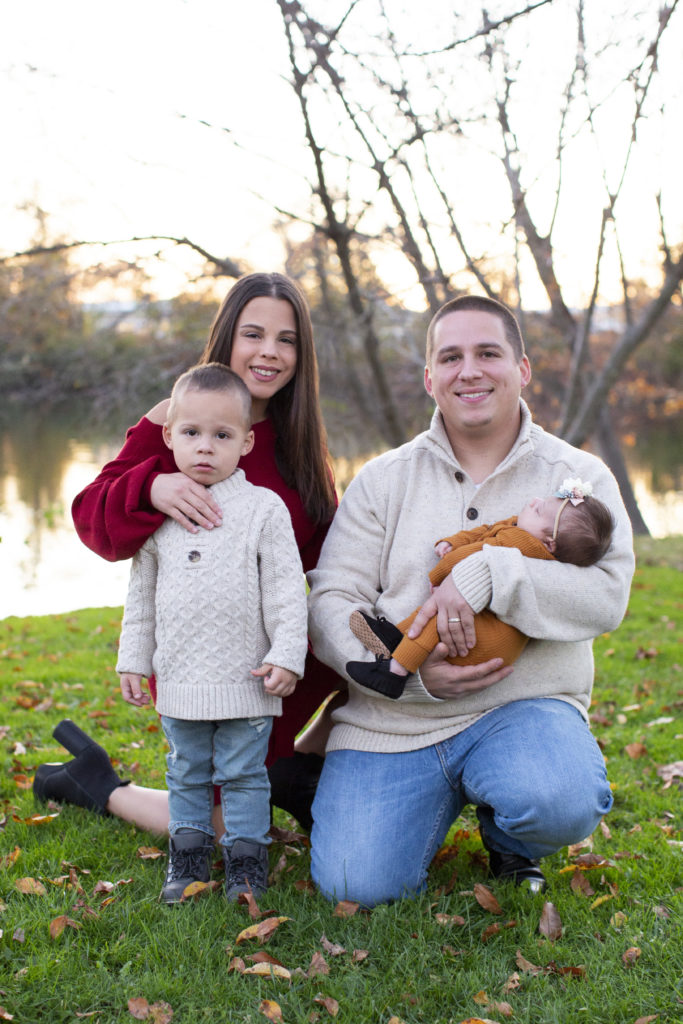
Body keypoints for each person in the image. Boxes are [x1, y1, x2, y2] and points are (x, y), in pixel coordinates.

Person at [307, 294, 635, 906]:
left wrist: (492, 573)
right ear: (431, 377)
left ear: (522, 369)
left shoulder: (576, 476)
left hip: (524, 708)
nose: (471, 370)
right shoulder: (383, 478)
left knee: (558, 801)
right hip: (393, 723)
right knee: (356, 886)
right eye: (451, 357)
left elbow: (607, 595)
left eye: (488, 353)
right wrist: (403, 674)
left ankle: (511, 833)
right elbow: (333, 596)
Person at [33, 272, 342, 835]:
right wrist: (151, 486)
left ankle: (299, 762)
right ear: (227, 337)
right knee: (230, 830)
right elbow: (90, 518)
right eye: (254, 334)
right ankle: (97, 784)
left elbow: (333, 560)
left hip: (275, 656)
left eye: (287, 339)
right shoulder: (173, 421)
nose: (269, 352)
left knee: (369, 647)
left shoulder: (300, 440)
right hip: (201, 656)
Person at [115, 363, 308, 902]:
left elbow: (286, 590)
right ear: (170, 436)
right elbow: (141, 597)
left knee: (245, 775)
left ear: (245, 442)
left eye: (221, 436)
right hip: (180, 678)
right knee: (187, 773)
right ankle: (189, 859)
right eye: (192, 433)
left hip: (247, 679)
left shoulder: (263, 510)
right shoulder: (163, 511)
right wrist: (134, 659)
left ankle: (247, 863)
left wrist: (287, 653)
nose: (205, 447)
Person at [346, 480, 615, 698]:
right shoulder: (520, 529)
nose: (533, 501)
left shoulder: (522, 543)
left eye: (539, 509)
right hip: (497, 645)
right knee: (433, 615)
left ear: (549, 543)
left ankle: (394, 673)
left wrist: (442, 574)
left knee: (436, 619)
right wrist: (452, 541)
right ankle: (395, 638)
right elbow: (484, 532)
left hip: (489, 644)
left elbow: (473, 557)